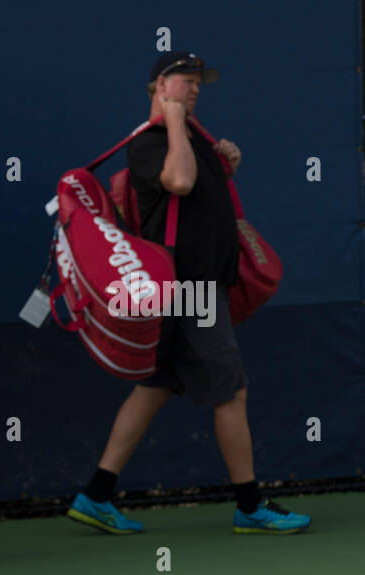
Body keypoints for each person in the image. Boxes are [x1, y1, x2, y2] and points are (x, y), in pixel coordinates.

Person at [66, 53, 310, 535]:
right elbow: (178, 181)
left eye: (200, 82)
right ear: (160, 85)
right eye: (186, 81)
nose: (196, 89)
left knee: (155, 387)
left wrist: (225, 165)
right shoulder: (152, 143)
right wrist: (176, 121)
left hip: (196, 288)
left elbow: (195, 197)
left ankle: (95, 495)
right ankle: (250, 506)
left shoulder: (191, 141)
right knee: (232, 391)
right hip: (189, 292)